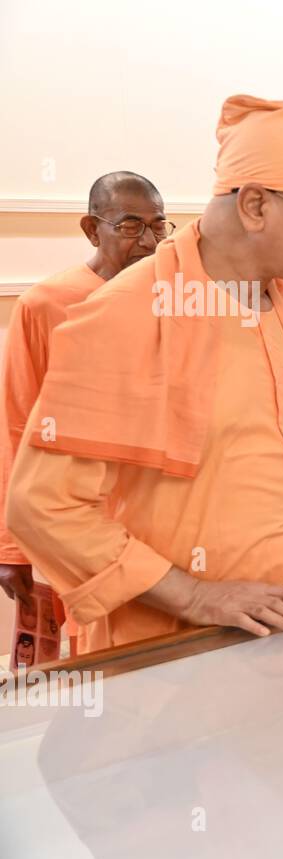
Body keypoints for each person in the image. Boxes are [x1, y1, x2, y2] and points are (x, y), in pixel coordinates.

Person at [5, 95, 283, 652]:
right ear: (253, 206)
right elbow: (43, 507)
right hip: (167, 652)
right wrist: (193, 595)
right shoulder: (126, 312)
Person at [0, 172, 169, 615]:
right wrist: (11, 547)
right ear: (92, 229)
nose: (149, 241)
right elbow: (17, 422)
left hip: (160, 520)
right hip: (76, 517)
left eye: (158, 226)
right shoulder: (45, 303)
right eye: (131, 226)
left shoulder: (175, 300)